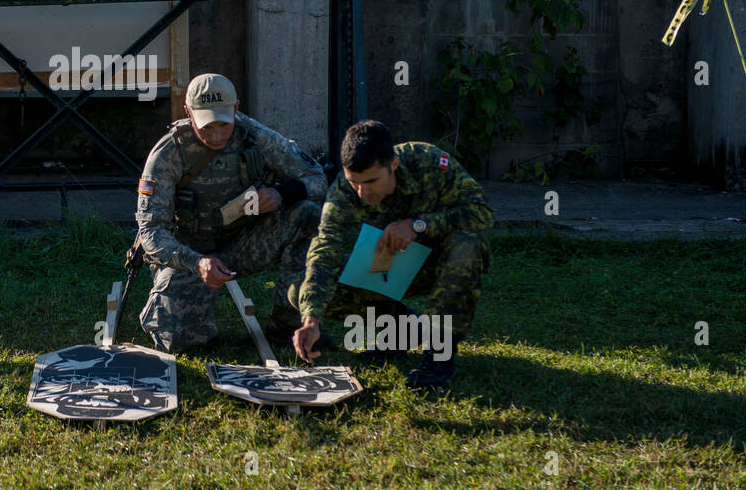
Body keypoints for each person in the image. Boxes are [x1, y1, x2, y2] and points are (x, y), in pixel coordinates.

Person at [134, 73, 328, 353]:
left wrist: (280, 194)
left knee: (308, 214)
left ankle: (288, 322)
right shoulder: (168, 153)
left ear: (237, 108)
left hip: (246, 242)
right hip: (192, 252)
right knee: (179, 340)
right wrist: (197, 263)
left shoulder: (256, 137)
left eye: (224, 125)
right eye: (207, 126)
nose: (217, 136)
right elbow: (150, 232)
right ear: (188, 113)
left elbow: (317, 179)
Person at [292, 119, 493, 388]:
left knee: (467, 245)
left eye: (372, 181)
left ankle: (439, 355)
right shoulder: (342, 190)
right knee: (298, 290)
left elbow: (482, 214)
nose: (363, 192)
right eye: (355, 182)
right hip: (388, 267)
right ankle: (401, 329)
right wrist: (312, 319)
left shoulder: (429, 163)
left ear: (393, 165)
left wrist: (419, 225)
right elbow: (325, 250)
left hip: (440, 266)